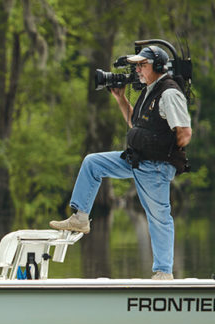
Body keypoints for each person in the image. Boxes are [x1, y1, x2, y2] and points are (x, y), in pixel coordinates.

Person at [50, 45, 192, 280]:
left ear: (158, 66)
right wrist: (121, 98)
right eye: (136, 65)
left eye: (142, 65)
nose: (137, 69)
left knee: (159, 217)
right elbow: (136, 125)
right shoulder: (149, 90)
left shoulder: (169, 93)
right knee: (92, 163)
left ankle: (164, 272)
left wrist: (164, 154)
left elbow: (184, 133)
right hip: (137, 159)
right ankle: (80, 218)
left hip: (156, 165)